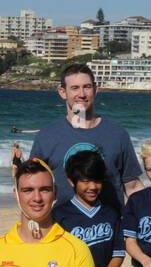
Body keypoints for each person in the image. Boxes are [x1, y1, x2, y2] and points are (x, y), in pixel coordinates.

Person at [27, 63, 144, 209]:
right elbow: (32, 188)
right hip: (63, 228)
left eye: (87, 87)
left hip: (109, 226)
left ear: (95, 90)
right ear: (62, 92)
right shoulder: (46, 136)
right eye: (74, 88)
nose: (81, 94)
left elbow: (132, 185)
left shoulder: (117, 134)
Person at [52, 150, 125, 267]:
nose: (92, 186)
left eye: (97, 180)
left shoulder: (111, 213)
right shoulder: (59, 215)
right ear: (71, 181)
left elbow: (118, 251)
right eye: (85, 181)